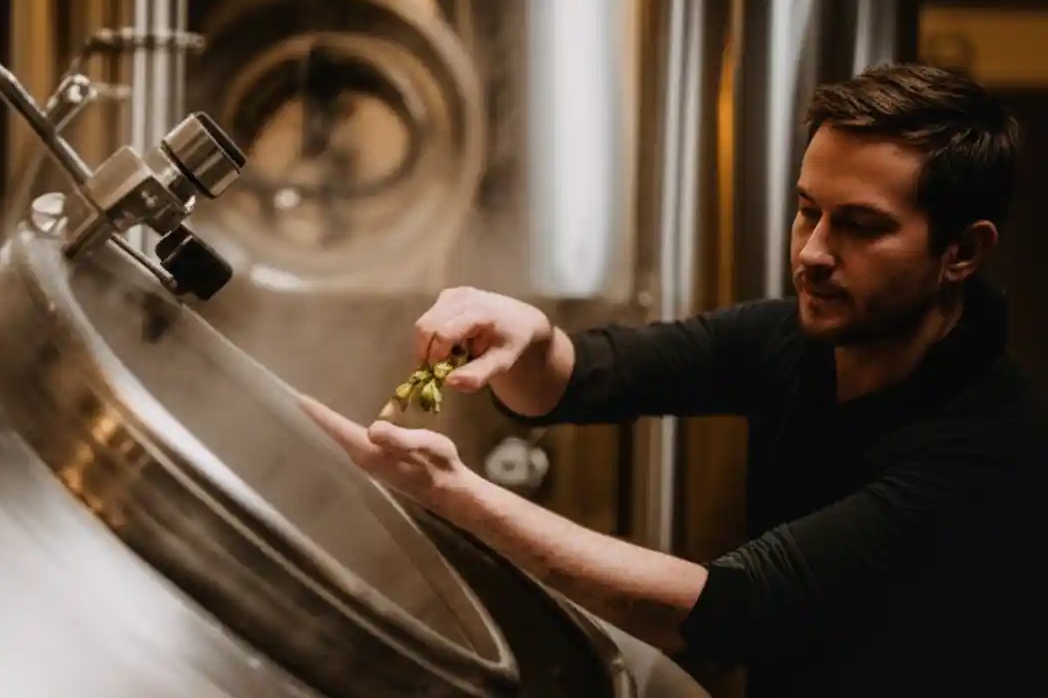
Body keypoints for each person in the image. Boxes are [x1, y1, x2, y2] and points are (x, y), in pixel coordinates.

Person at [299, 63, 1047, 696]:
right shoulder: (790, 340)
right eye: (806, 211)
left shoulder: (992, 445)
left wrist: (450, 494)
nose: (814, 252)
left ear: (962, 253)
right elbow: (578, 379)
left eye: (861, 225)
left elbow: (726, 611)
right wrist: (524, 337)